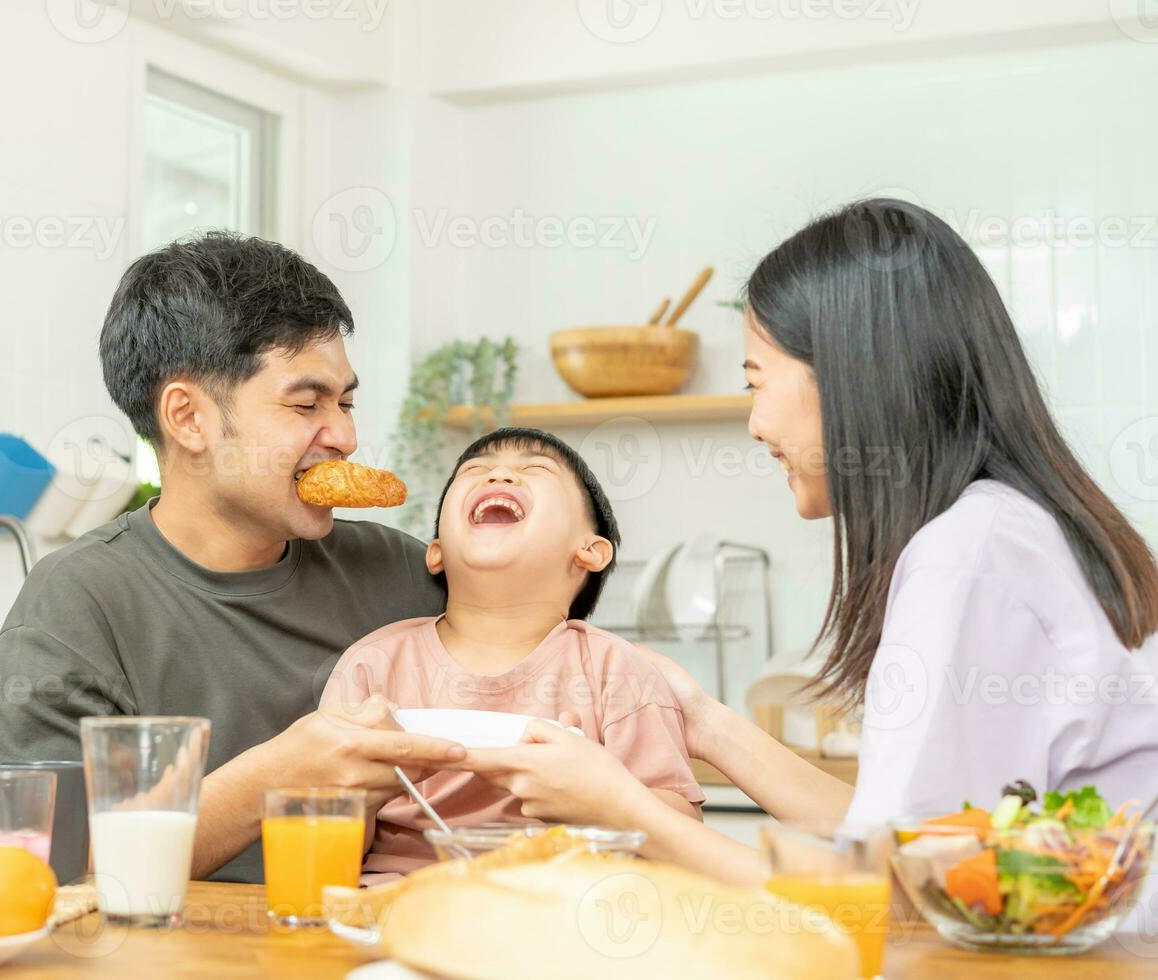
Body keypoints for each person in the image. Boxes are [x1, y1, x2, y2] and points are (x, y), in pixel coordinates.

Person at [446, 199, 1158, 885]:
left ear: (852, 375)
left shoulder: (966, 556)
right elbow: (896, 836)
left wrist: (620, 807)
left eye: (758, 381)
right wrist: (705, 722)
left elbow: (892, 894)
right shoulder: (1003, 526)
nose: (754, 425)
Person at [0, 231, 464, 884]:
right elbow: (45, 877)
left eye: (346, 402)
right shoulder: (76, 608)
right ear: (188, 418)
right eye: (306, 404)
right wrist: (280, 777)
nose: (346, 437)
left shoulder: (409, 578)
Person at [321, 427, 702, 879]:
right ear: (436, 553)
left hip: (564, 913)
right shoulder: (372, 665)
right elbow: (324, 844)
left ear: (590, 551)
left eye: (534, 469)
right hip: (395, 906)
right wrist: (358, 794)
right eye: (475, 471)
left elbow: (682, 839)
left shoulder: (618, 673)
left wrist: (600, 799)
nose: (499, 475)